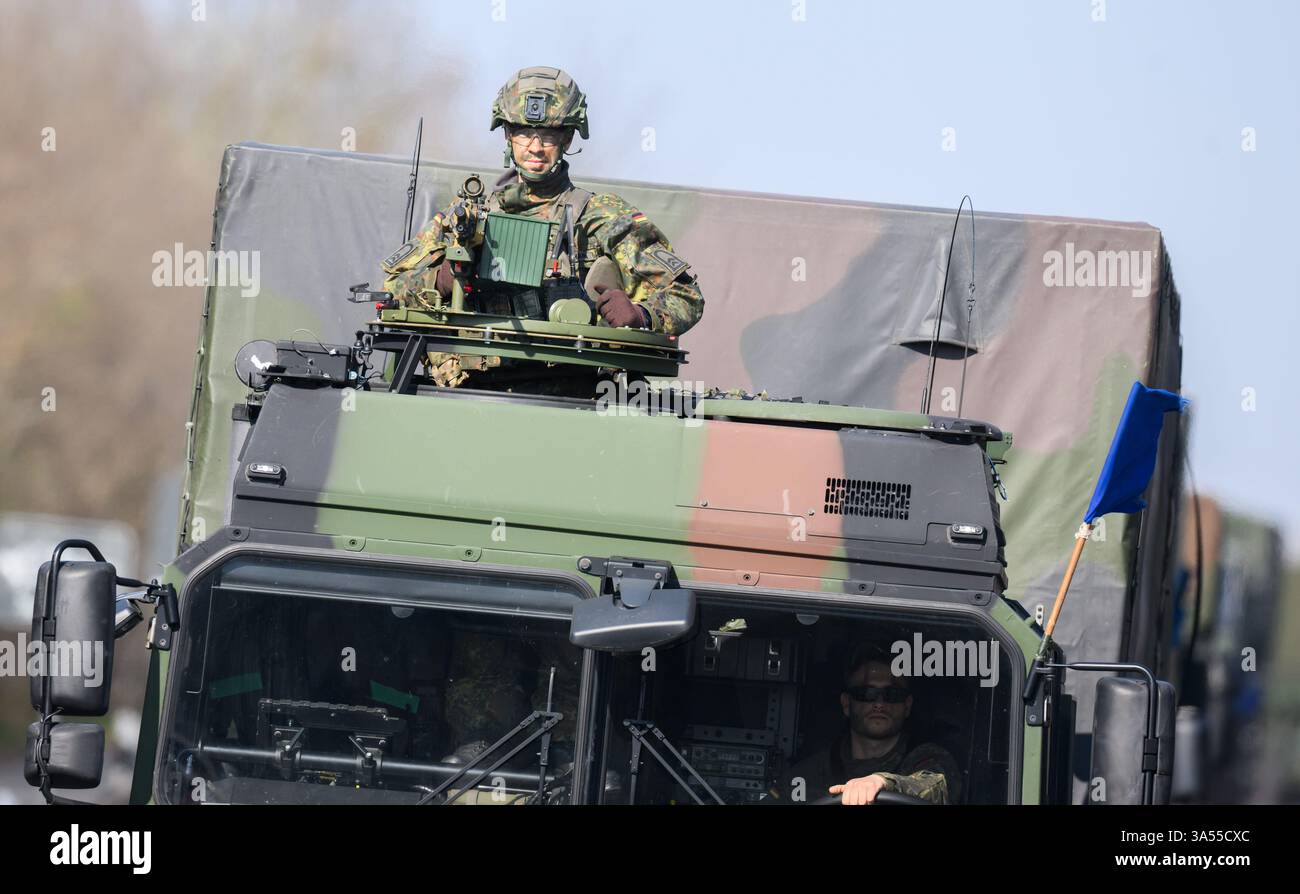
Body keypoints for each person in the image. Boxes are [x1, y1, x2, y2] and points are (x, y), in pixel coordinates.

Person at [381, 66, 704, 387]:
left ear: (567, 136)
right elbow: (390, 290)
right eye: (523, 131)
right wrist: (439, 280)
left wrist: (642, 315)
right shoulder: (468, 215)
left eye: (548, 134)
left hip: (573, 397)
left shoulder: (600, 217)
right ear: (507, 134)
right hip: (474, 393)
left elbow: (686, 296)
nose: (535, 147)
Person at [781, 644, 962, 805]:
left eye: (892, 694)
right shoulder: (810, 773)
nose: (879, 704)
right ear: (846, 704)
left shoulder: (926, 759)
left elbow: (935, 786)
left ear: (907, 706)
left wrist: (881, 782)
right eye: (867, 693)